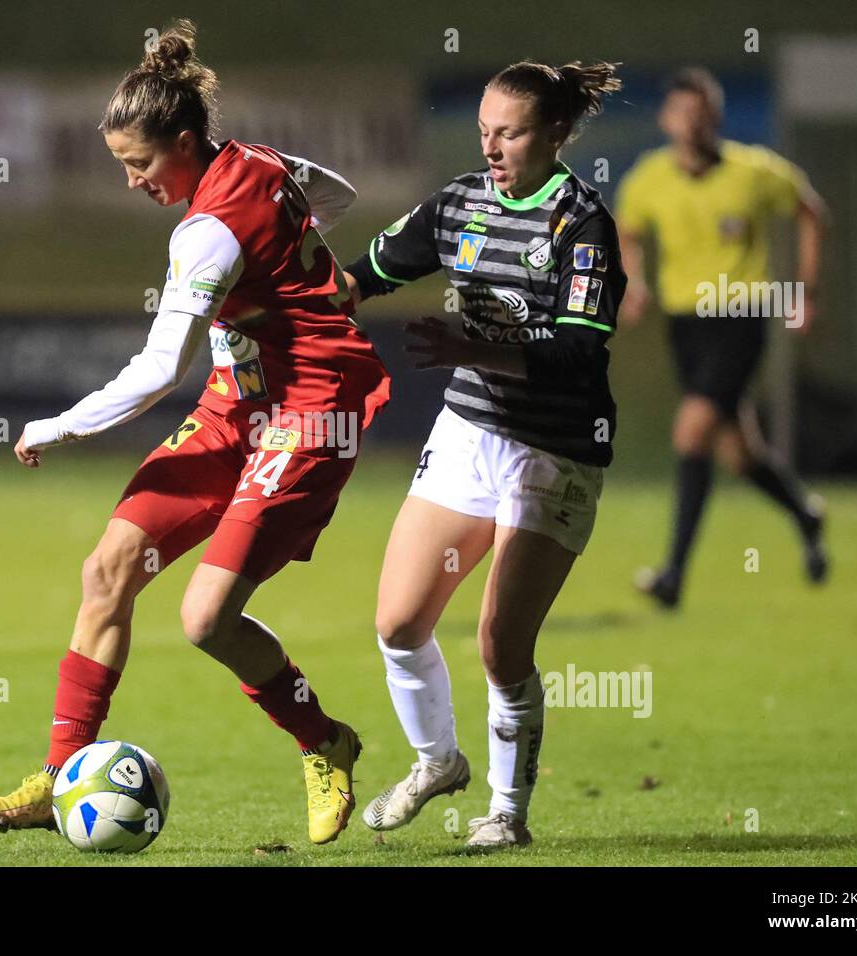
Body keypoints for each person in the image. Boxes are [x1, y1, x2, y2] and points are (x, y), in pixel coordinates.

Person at [0, 21, 390, 846]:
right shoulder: (263, 161)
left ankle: (327, 742)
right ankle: (60, 781)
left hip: (311, 407)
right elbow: (330, 195)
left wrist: (57, 427)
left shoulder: (204, 233)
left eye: (139, 164)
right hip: (238, 403)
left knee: (207, 621)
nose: (131, 182)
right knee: (109, 570)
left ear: (186, 142)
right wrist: (295, 266)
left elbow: (159, 371)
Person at [340, 60, 624, 848]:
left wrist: (475, 346)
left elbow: (576, 352)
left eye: (511, 132)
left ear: (556, 134)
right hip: (469, 432)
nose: (493, 147)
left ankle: (506, 813)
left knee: (502, 642)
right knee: (399, 623)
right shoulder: (461, 202)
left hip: (556, 446)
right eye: (484, 132)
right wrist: (297, 293)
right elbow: (369, 272)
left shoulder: (581, 224)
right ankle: (437, 762)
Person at [617, 67, 830, 608]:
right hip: (685, 326)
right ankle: (805, 514)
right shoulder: (648, 179)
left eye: (702, 112)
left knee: (691, 433)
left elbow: (811, 212)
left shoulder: (753, 171)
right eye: (682, 112)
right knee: (740, 454)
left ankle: (673, 576)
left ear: (716, 116)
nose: (692, 123)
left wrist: (805, 292)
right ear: (666, 119)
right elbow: (628, 232)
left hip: (740, 315)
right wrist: (634, 282)